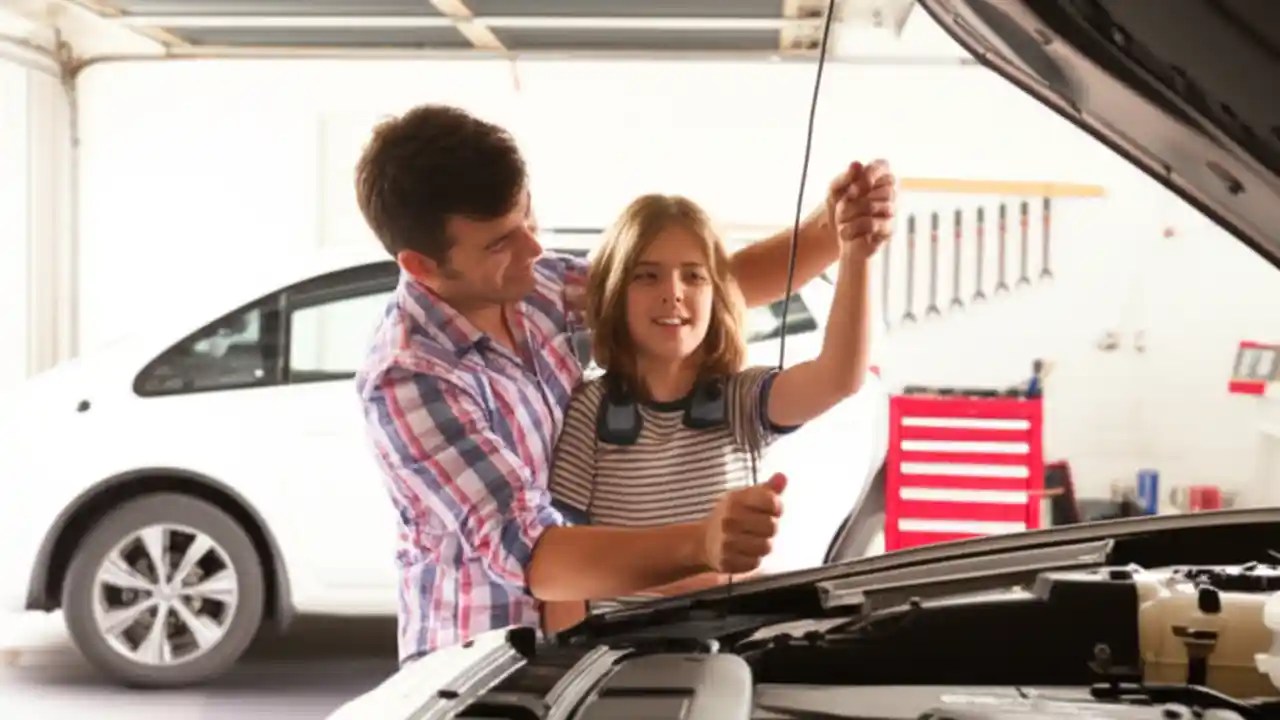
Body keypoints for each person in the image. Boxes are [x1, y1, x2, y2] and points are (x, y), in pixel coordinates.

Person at [352, 103, 896, 665]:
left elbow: (708, 286)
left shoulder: (532, 284)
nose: (534, 250)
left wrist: (835, 227)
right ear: (422, 266)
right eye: (499, 243)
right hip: (484, 666)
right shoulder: (409, 376)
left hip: (594, 651)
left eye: (528, 219)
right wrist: (703, 545)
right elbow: (540, 556)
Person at [541, 189, 887, 633]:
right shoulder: (588, 411)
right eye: (647, 276)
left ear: (719, 295)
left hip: (725, 647)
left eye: (693, 276)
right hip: (620, 651)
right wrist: (565, 657)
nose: (673, 293)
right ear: (614, 295)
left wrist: (857, 254)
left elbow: (838, 376)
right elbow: (565, 574)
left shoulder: (740, 400)